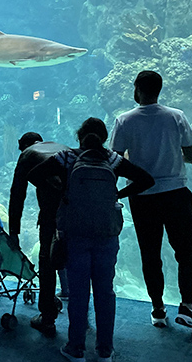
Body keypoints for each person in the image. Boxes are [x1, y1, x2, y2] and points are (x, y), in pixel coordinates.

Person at [37, 117, 153, 362]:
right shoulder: (112, 160)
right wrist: (117, 193)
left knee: (78, 293)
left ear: (80, 136)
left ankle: (75, 348)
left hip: (76, 234)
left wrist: (62, 190)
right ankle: (105, 350)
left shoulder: (67, 157)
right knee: (105, 292)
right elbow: (146, 180)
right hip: (106, 235)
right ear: (103, 137)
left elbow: (34, 173)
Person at [110, 70, 192, 330]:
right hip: (176, 192)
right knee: (187, 251)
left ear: (137, 89)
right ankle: (187, 305)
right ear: (159, 89)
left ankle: (158, 308)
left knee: (150, 253)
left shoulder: (123, 120)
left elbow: (115, 160)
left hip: (142, 196)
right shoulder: (176, 116)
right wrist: (171, 154)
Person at [8, 131, 69, 336]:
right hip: (76, 209)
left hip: (52, 213)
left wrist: (13, 231)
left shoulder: (27, 154)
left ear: (22, 146)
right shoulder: (62, 147)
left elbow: (17, 194)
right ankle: (81, 317)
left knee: (47, 260)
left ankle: (47, 317)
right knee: (77, 258)